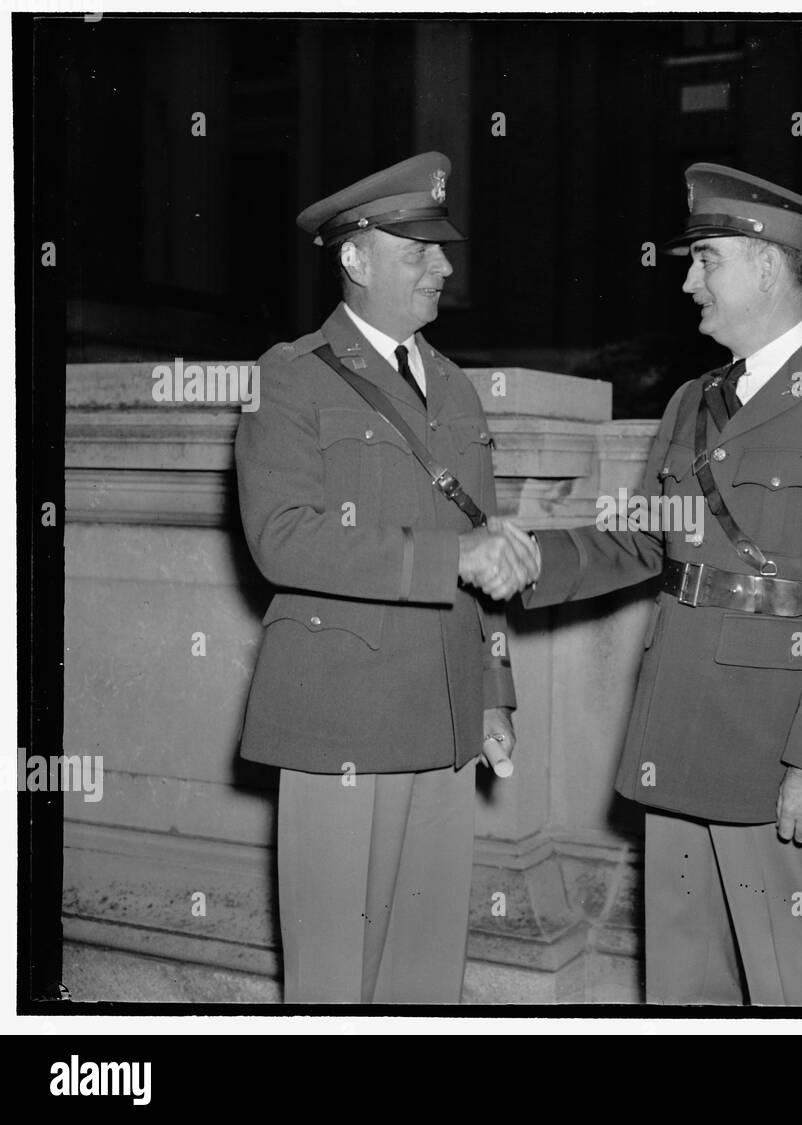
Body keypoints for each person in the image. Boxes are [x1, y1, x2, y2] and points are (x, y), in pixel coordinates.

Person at [508, 164, 802, 1005]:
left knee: (792, 985)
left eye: (708, 259)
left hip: (775, 750)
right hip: (679, 731)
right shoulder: (694, 402)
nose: (688, 279)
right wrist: (528, 559)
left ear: (768, 266)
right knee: (682, 986)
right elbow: (644, 541)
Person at [235, 151, 539, 1004]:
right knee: (334, 981)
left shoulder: (455, 388)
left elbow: (487, 561)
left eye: (442, 248)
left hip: (443, 721)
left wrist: (493, 695)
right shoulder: (288, 377)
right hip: (339, 718)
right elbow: (283, 541)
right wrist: (449, 561)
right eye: (419, 251)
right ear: (355, 259)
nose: (444, 265)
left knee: (425, 980)